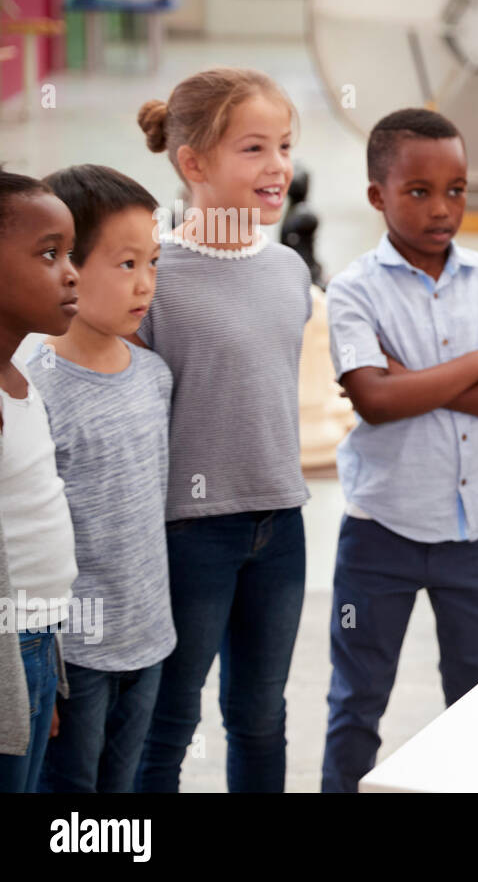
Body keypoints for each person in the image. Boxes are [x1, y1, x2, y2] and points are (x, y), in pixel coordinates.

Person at [322, 109, 478, 793]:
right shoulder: (354, 290)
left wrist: (414, 380)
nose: (442, 207)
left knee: (477, 699)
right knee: (356, 703)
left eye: (456, 189)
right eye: (417, 191)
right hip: (381, 530)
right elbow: (376, 403)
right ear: (377, 197)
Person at [131, 68, 313, 792]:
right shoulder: (154, 277)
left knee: (262, 717)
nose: (277, 168)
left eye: (285, 146)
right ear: (193, 163)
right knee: (169, 723)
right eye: (254, 149)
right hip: (189, 532)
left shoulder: (289, 269)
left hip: (282, 523)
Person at [33, 165, 175, 793]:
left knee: (122, 792)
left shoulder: (154, 376)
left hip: (147, 637)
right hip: (73, 657)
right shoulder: (33, 387)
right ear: (66, 265)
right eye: (125, 265)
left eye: (153, 262)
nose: (145, 283)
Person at [0, 171, 78, 792]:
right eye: (50, 255)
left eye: (71, 254)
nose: (71, 273)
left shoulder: (21, 376)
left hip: (35, 643)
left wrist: (42, 671)